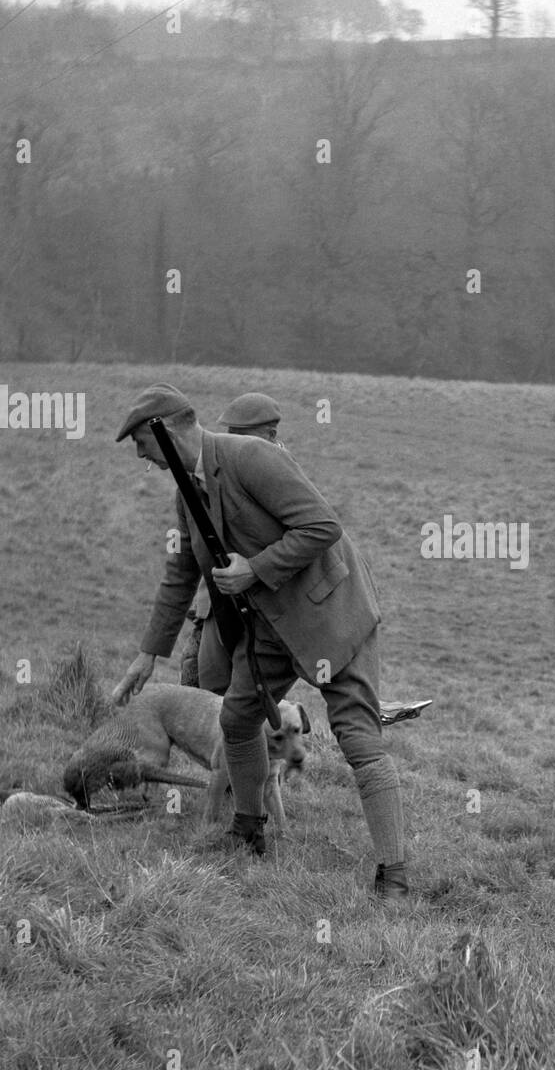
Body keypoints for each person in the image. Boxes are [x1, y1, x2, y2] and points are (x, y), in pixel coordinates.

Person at [112, 383, 409, 901]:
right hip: (269, 626)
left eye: (142, 443)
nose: (142, 457)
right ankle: (249, 831)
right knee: (237, 717)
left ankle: (395, 875)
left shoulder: (251, 458)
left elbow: (322, 526)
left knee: (358, 741)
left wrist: (255, 568)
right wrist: (148, 653)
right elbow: (181, 573)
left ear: (166, 429)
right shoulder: (188, 491)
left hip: (329, 614)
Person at [181, 393, 285, 690]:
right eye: (229, 434)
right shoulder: (215, 468)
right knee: (198, 690)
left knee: (246, 706)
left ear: (271, 435)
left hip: (263, 611)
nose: (230, 443)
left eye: (241, 436)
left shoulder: (281, 474)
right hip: (214, 607)